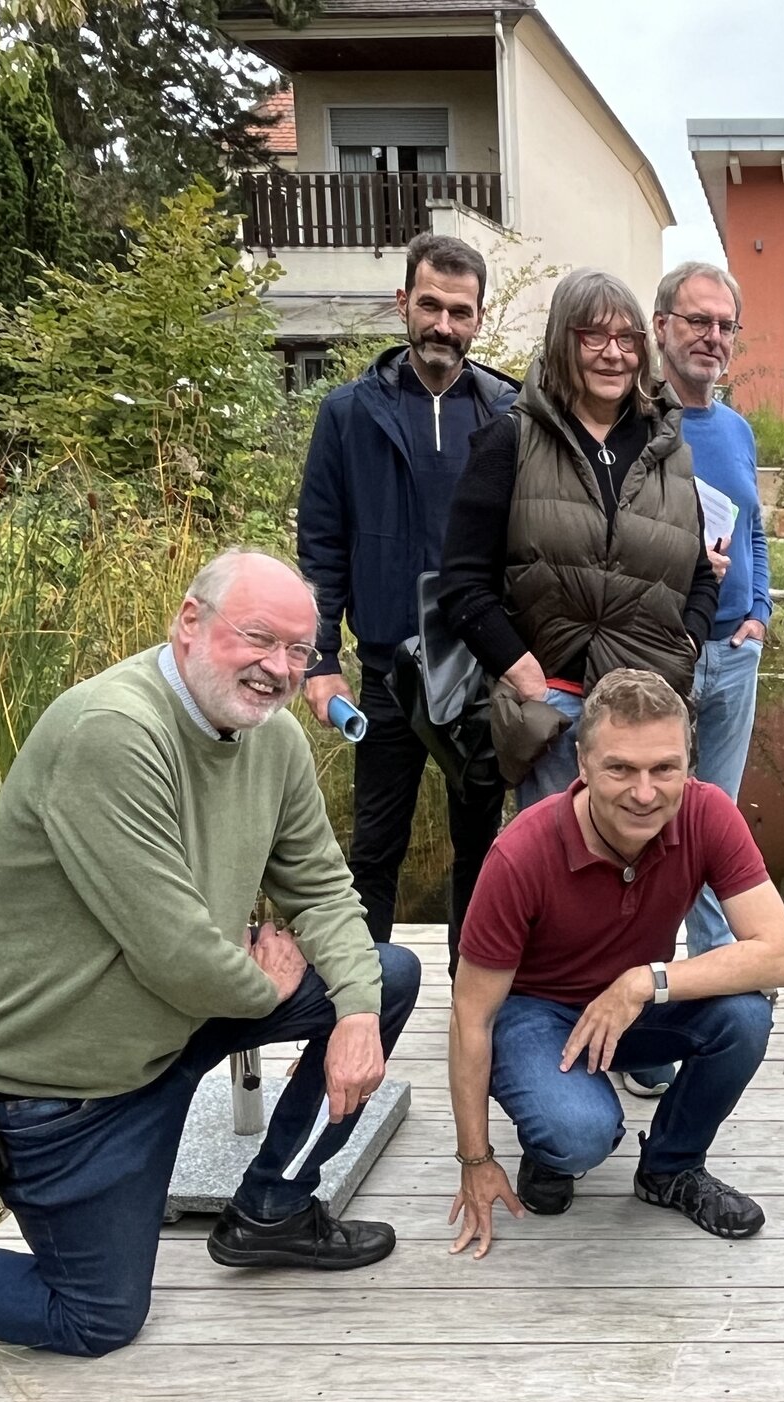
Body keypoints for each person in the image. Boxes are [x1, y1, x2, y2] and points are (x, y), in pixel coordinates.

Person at [0, 551, 420, 1356]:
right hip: (61, 1084)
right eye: (259, 638)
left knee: (386, 974)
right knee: (93, 1319)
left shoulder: (274, 743)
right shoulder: (113, 732)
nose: (278, 668)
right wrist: (262, 984)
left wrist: (360, 1015)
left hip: (172, 1030)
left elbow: (325, 893)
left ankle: (272, 1209)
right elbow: (177, 956)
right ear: (190, 625)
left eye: (299, 651)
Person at [443, 670, 784, 1254]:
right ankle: (549, 1148)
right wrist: (476, 1159)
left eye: (665, 768)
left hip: (633, 1006)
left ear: (688, 762)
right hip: (538, 1015)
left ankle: (670, 1168)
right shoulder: (520, 854)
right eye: (620, 769)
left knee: (745, 1014)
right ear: (582, 765)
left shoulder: (708, 814)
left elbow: (779, 955)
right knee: (579, 1134)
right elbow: (470, 1018)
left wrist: (645, 981)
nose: (644, 791)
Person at [298, 233, 519, 962]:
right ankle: (365, 1013)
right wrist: (319, 656)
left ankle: (474, 1011)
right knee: (375, 851)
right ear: (403, 304)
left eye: (460, 311)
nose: (443, 326)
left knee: (481, 851)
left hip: (479, 670)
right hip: (389, 671)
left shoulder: (510, 414)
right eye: (430, 305)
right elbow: (322, 545)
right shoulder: (348, 415)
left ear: (479, 319)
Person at [438, 267, 722, 810]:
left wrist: (684, 646)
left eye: (627, 338)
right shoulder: (509, 441)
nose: (613, 353)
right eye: (593, 336)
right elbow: (464, 585)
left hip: (648, 718)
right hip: (552, 716)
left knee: (645, 880)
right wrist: (526, 677)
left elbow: (700, 576)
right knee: (564, 879)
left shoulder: (668, 449)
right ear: (562, 341)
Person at [624, 262, 776, 1101]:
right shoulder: (635, 425)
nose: (712, 337)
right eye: (697, 322)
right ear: (661, 324)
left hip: (734, 655)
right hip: (657, 655)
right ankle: (644, 1022)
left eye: (725, 325)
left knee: (712, 832)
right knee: (648, 837)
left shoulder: (739, 430)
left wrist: (760, 612)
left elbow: (752, 530)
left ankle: (718, 1000)